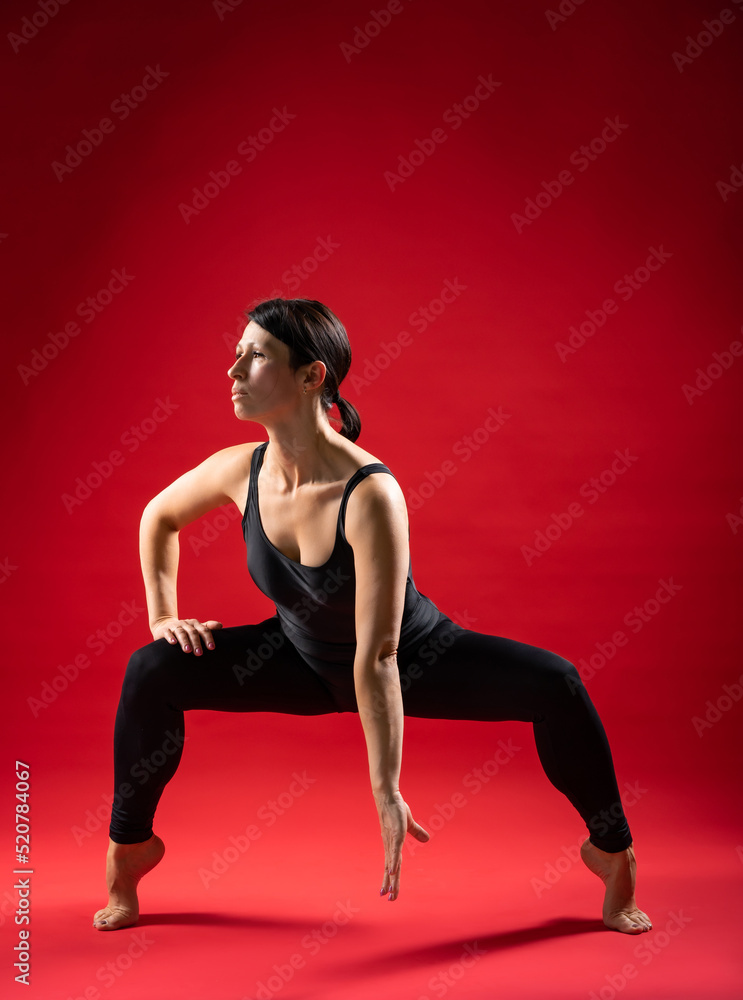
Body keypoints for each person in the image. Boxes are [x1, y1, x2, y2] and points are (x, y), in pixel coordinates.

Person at [93, 297, 652, 935]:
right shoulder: (238, 470)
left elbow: (379, 654)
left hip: (412, 660)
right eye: (237, 352)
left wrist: (385, 788)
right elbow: (157, 518)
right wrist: (163, 615)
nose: (233, 370)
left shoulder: (371, 494)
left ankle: (613, 852)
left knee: (557, 684)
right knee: (152, 669)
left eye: (256, 356)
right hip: (299, 659)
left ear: (312, 378)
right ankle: (129, 847)